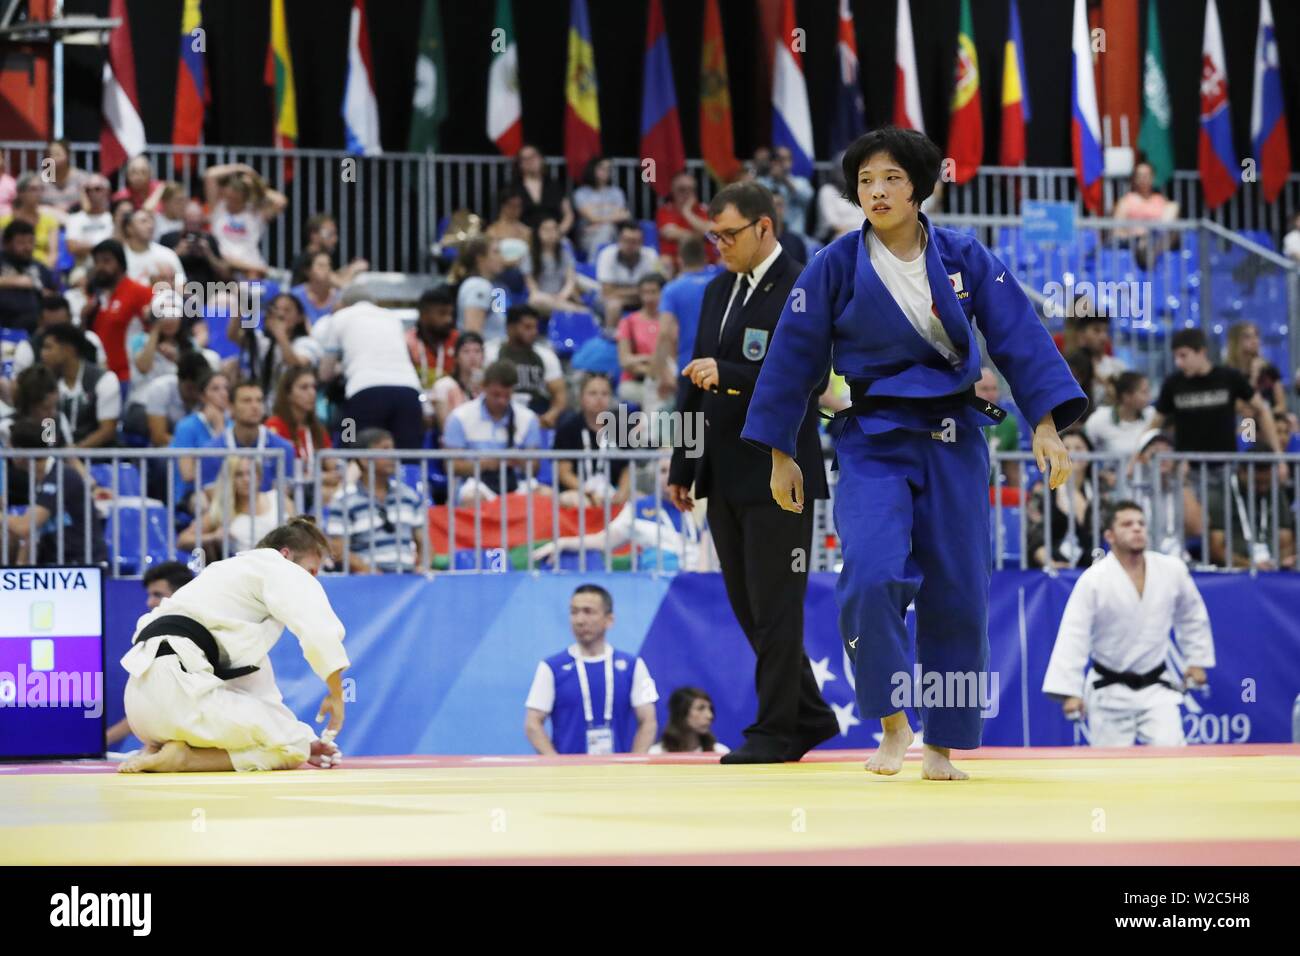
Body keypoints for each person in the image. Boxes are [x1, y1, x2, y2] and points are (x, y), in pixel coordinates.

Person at [742, 128, 1087, 779]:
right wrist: (780, 453)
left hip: (954, 439)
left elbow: (1017, 334)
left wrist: (1045, 423)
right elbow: (791, 358)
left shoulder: (963, 255)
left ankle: (942, 745)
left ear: (919, 186)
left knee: (958, 592)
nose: (877, 191)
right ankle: (893, 722)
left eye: (892, 178)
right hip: (873, 439)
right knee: (870, 577)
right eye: (866, 180)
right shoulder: (834, 264)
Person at [668, 180, 839, 765]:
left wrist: (733, 373)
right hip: (722, 471)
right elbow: (694, 381)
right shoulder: (716, 289)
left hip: (780, 471)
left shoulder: (802, 285)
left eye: (728, 235)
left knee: (776, 607)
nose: (718, 245)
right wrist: (683, 463)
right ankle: (810, 715)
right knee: (748, 608)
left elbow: (812, 376)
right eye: (713, 236)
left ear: (764, 227)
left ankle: (774, 730)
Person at [118, 517, 348, 773]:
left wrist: (308, 741)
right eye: (312, 571)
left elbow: (259, 696)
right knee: (290, 749)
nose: (313, 580)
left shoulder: (222, 580)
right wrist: (335, 694)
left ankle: (161, 748)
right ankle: (185, 759)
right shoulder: (277, 566)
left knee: (293, 740)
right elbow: (319, 629)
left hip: (140, 710)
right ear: (285, 554)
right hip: (180, 697)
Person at [1042, 501, 1214, 746]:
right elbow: (1074, 634)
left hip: (1157, 688)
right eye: (1127, 524)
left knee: (1173, 759)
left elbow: (1192, 615)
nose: (1137, 528)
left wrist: (1196, 660)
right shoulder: (1094, 580)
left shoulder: (1171, 570)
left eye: (1141, 523)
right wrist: (1070, 692)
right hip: (1108, 691)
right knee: (1111, 768)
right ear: (1109, 536)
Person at [524, 584, 658, 755]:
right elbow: (533, 723)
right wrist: (554, 763)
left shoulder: (633, 666)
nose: (580, 620)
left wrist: (635, 763)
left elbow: (648, 721)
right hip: (569, 770)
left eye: (588, 612)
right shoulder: (551, 667)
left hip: (619, 769)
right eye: (574, 612)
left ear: (609, 619)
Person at [535, 454, 709, 572]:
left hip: (699, 581)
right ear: (654, 476)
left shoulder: (705, 506)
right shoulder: (638, 508)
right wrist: (563, 542)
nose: (670, 476)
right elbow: (603, 541)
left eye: (676, 469)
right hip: (658, 587)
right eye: (663, 471)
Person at [1152, 328, 1285, 470]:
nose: (1178, 362)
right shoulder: (1173, 383)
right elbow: (1156, 421)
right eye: (1176, 357)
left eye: (1183, 356)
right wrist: (1140, 451)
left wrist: (1279, 457)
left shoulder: (1229, 377)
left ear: (1201, 352)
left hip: (1226, 464)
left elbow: (1263, 409)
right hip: (1188, 468)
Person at [105, 561, 199, 751]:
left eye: (158, 595)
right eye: (150, 595)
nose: (150, 603)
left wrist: (100, 742)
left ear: (182, 593)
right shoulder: (157, 635)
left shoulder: (192, 639)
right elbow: (152, 705)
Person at [315, 287, 424, 449]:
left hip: (364, 392)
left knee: (351, 445)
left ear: (343, 304)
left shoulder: (340, 317)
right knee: (409, 453)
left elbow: (325, 373)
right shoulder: (392, 317)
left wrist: (340, 368)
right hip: (409, 392)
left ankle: (346, 460)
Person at [324, 428, 429, 574]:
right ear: (364, 460)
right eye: (385, 449)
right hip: (366, 581)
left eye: (393, 448)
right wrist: (370, 572)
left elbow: (425, 543)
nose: (393, 455)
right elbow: (338, 549)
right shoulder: (344, 501)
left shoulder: (409, 496)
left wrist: (423, 566)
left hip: (406, 579)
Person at [441, 359, 544, 505]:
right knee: (472, 499)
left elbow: (534, 468)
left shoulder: (528, 418)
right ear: (484, 387)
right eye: (496, 395)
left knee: (546, 496)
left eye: (507, 396)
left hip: (516, 484)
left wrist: (519, 461)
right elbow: (452, 466)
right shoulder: (460, 417)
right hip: (476, 484)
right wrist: (487, 464)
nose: (502, 401)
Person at [4, 418, 106, 565]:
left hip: (82, 564)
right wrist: (20, 567)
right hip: (56, 563)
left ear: (20, 453)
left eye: (10, 447)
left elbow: (25, 527)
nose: (7, 451)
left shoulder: (61, 476)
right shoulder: (42, 478)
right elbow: (31, 534)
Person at [197, 379, 296, 499]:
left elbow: (282, 497)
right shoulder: (211, 451)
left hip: (268, 510)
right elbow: (212, 496)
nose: (255, 406)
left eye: (259, 400)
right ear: (231, 407)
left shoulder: (283, 449)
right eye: (247, 401)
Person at [180, 455, 291, 561]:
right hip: (246, 569)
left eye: (250, 473)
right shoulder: (222, 511)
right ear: (230, 479)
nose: (246, 479)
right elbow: (183, 539)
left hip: (284, 564)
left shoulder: (278, 498)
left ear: (259, 476)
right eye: (239, 474)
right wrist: (213, 537)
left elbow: (297, 533)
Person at [653, 237, 720, 403]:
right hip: (720, 364)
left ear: (680, 260)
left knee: (691, 420)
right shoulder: (720, 282)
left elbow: (664, 333)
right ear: (705, 258)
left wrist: (662, 373)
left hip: (689, 366)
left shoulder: (672, 289)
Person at [552, 373, 631, 508]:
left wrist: (622, 493)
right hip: (579, 492)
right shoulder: (568, 428)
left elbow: (627, 468)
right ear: (581, 397)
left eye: (604, 394)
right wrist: (589, 492)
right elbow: (564, 473)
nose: (599, 398)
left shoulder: (620, 429)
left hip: (611, 492)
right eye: (592, 393)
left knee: (641, 501)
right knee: (576, 501)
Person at [81, 239, 155, 383]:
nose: (100, 267)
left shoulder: (140, 292)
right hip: (101, 376)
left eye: (106, 261)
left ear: (121, 263)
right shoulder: (95, 298)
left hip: (129, 376)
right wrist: (84, 317)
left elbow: (157, 329)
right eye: (97, 262)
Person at [484, 304, 566, 427]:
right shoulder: (492, 352)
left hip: (536, 411)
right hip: (501, 407)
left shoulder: (546, 355)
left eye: (535, 327)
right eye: (528, 327)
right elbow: (482, 388)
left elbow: (560, 394)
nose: (534, 332)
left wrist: (550, 416)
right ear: (510, 328)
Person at [1029, 430, 1102, 569]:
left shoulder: (1099, 491)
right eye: (1066, 448)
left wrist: (1073, 491)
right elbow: (1034, 536)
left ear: (1090, 454)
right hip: (1051, 564)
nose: (1072, 453)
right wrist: (1050, 563)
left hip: (1091, 564)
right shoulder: (1042, 492)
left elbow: (1099, 532)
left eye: (1078, 448)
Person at [39, 324, 119, 448]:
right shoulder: (45, 383)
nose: (43, 354)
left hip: (96, 455)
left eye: (48, 347)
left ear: (68, 350)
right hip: (59, 455)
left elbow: (107, 431)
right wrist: (53, 452)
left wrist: (76, 451)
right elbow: (47, 425)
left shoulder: (105, 380)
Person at [203, 163, 287, 278]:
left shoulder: (254, 213)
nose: (232, 200)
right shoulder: (218, 209)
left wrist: (255, 182)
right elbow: (210, 175)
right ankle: (268, 273)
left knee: (254, 286)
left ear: (245, 196)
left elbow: (281, 201)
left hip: (251, 269)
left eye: (236, 197)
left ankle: (262, 274)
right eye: (230, 196)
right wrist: (242, 168)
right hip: (223, 268)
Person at [230, 291, 320, 399]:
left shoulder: (307, 343)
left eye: (287, 310)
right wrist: (241, 309)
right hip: (262, 401)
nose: (280, 314)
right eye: (276, 309)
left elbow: (295, 363)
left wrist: (280, 333)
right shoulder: (263, 341)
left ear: (300, 317)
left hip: (291, 402)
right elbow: (233, 335)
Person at [266, 365, 338, 499]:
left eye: (314, 387)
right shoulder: (275, 425)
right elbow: (282, 474)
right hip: (285, 493)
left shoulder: (318, 428)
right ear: (288, 394)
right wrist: (321, 477)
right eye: (304, 388)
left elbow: (332, 465)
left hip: (312, 490)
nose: (312, 393)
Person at [1112, 161, 1179, 269]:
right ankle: (1145, 250)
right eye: (1140, 175)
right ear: (1134, 179)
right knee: (1144, 240)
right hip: (1134, 242)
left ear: (1153, 177)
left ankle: (1151, 247)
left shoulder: (1161, 200)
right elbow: (1117, 231)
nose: (1143, 178)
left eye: (1147, 175)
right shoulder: (1125, 202)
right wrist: (1137, 235)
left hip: (1158, 242)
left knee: (1174, 207)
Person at [596, 221, 660, 327]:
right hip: (614, 300)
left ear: (641, 242)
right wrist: (641, 291)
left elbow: (656, 287)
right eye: (626, 240)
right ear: (619, 240)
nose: (630, 245)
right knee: (614, 305)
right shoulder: (607, 254)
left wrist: (620, 291)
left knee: (659, 301)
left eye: (635, 242)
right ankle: (611, 335)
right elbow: (607, 292)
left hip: (642, 299)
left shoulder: (651, 255)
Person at [1226, 320, 1290, 426]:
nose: (1255, 341)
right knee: (1247, 423)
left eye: (1256, 336)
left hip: (1269, 421)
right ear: (1236, 341)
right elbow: (1238, 406)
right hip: (1243, 423)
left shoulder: (1269, 370)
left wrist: (1263, 414)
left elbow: (1282, 406)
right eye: (1247, 337)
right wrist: (1254, 376)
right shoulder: (1229, 373)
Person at [158, 200, 232, 291]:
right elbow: (157, 270)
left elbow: (225, 273)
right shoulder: (168, 238)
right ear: (183, 219)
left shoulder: (209, 239)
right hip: (178, 290)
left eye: (197, 224)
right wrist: (176, 253)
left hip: (207, 290)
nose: (193, 228)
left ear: (202, 221)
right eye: (190, 223)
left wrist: (209, 255)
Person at [0, 220, 58, 333]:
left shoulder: (40, 268)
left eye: (31, 242)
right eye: (21, 243)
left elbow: (53, 295)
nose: (27, 247)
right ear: (6, 244)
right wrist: (13, 281)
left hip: (36, 329)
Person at [522, 216, 587, 315]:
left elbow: (570, 280)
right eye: (546, 229)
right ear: (537, 232)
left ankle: (596, 295)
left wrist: (562, 295)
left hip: (562, 296)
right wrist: (552, 299)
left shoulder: (564, 253)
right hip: (544, 300)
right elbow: (532, 289)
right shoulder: (529, 255)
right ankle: (579, 311)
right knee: (535, 299)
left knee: (580, 280)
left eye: (554, 229)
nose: (551, 233)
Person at [1085, 370, 1155, 460]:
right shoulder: (1100, 418)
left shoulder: (1153, 415)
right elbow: (1082, 444)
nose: (1149, 397)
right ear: (1126, 396)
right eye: (1144, 392)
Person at [447, 237, 506, 341]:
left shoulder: (491, 286)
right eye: (496, 252)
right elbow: (473, 334)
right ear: (480, 258)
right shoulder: (478, 286)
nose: (502, 257)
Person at [507, 143, 574, 234]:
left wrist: (558, 232)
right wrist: (532, 235)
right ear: (520, 164)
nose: (530, 161)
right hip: (524, 236)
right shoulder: (513, 188)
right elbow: (509, 218)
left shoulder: (554, 185)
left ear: (541, 159)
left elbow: (568, 214)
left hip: (556, 235)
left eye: (533, 157)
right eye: (525, 159)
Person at [407, 284, 459, 398]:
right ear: (424, 314)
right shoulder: (408, 343)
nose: (449, 319)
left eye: (450, 314)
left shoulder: (458, 341)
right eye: (442, 313)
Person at [571, 156, 630, 258]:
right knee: (607, 229)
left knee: (608, 229)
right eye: (602, 168)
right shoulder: (581, 193)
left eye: (608, 169)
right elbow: (592, 218)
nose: (606, 171)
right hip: (587, 235)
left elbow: (624, 215)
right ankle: (595, 263)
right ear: (592, 170)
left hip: (614, 232)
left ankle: (595, 263)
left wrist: (599, 222)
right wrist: (612, 218)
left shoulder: (616, 192)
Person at [288, 214, 368, 288]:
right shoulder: (308, 259)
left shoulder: (313, 256)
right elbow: (342, 285)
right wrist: (353, 269)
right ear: (314, 235)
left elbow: (331, 277)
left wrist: (347, 269)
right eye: (330, 234)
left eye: (335, 234)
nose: (335, 239)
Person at [655, 172, 712, 274]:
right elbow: (669, 233)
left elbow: (709, 231)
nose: (686, 193)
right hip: (674, 259)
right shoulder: (665, 210)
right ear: (673, 190)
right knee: (664, 262)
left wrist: (687, 212)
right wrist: (698, 235)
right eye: (681, 189)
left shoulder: (703, 210)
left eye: (690, 189)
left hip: (701, 257)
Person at [0, 173, 60, 269]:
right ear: (20, 193)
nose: (38, 193)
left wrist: (43, 271)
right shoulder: (4, 222)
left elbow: (53, 254)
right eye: (33, 189)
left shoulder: (50, 221)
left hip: (41, 268)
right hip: (11, 268)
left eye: (41, 189)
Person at [977, 367, 1022, 490]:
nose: (991, 394)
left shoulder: (1008, 422)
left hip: (992, 489)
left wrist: (1021, 497)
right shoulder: (962, 419)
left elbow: (1011, 469)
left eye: (994, 389)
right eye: (985, 389)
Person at [648, 687, 730, 754]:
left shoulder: (720, 753)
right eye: (700, 708)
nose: (710, 716)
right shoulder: (656, 754)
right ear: (680, 713)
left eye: (710, 709)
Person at [430, 331, 484, 431]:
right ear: (456, 358)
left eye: (477, 351)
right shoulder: (444, 385)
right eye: (466, 351)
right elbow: (445, 428)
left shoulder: (488, 389)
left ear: (483, 357)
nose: (472, 356)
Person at [759, 145, 814, 236]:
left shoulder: (801, 182)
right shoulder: (762, 183)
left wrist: (784, 179)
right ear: (772, 162)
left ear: (791, 162)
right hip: (767, 235)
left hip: (795, 235)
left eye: (784, 159)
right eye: (778, 159)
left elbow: (807, 198)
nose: (781, 163)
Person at [124, 209, 186, 288]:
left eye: (151, 220)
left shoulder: (167, 254)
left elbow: (182, 286)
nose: (150, 226)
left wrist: (167, 282)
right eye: (143, 221)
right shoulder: (122, 256)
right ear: (129, 228)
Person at [63, 175, 115, 265]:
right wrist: (104, 245)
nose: (92, 193)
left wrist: (85, 245)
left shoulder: (113, 218)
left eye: (97, 189)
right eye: (88, 190)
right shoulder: (74, 219)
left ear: (107, 192)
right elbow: (72, 247)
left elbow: (116, 246)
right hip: (83, 267)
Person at [290, 250, 342, 324]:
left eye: (329, 265)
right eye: (321, 266)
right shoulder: (296, 295)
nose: (327, 269)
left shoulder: (339, 296)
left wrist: (341, 285)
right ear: (308, 271)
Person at [39, 140, 91, 213]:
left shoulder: (81, 178)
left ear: (68, 155)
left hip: (75, 216)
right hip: (48, 217)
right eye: (50, 154)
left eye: (58, 154)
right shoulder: (40, 179)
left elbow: (87, 207)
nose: (54, 158)